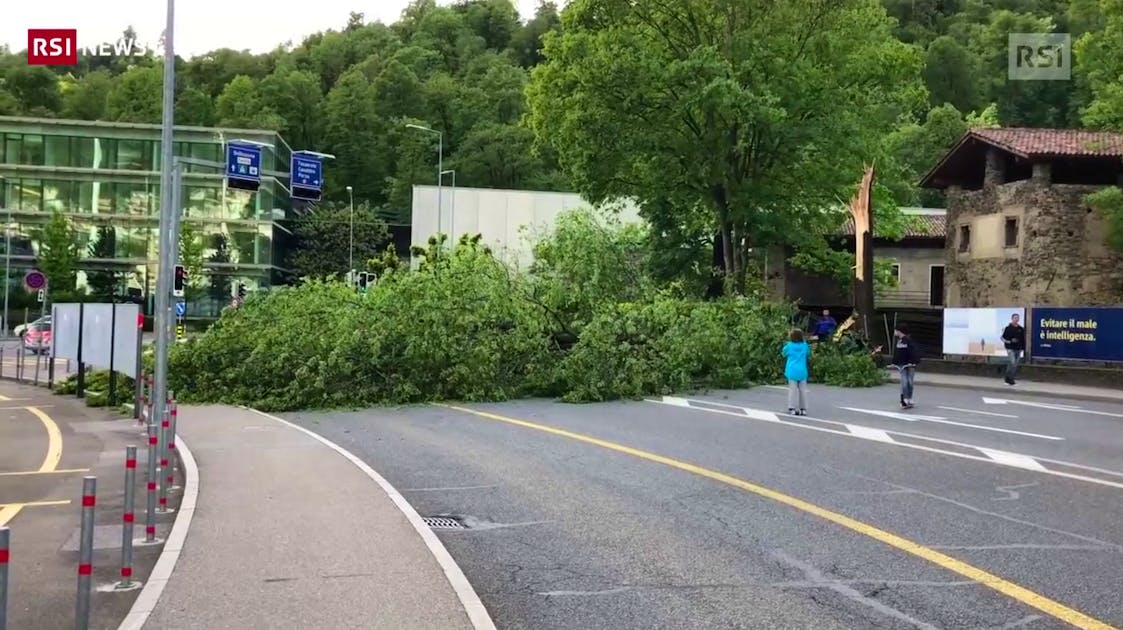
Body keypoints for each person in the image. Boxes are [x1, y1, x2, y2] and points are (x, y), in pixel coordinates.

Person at [890, 324, 920, 409]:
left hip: (910, 365)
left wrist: (913, 362)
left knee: (910, 382)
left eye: (896, 330)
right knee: (904, 382)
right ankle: (904, 399)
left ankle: (909, 398)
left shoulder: (909, 341)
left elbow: (913, 352)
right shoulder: (899, 341)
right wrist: (894, 362)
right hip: (902, 365)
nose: (895, 332)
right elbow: (897, 353)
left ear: (899, 331)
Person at [782, 329, 811, 416]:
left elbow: (783, 353)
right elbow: (808, 353)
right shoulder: (805, 345)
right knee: (802, 391)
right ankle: (803, 409)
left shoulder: (789, 345)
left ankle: (792, 408)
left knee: (792, 390)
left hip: (792, 370)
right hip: (802, 371)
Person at [1001, 313, 1026, 385]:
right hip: (1010, 348)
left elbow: (1022, 339)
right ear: (1012, 319)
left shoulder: (1020, 329)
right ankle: (1011, 379)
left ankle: (1007, 378)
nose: (1016, 319)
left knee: (1014, 364)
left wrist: (1023, 348)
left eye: (1018, 318)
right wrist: (1009, 341)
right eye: (1015, 318)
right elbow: (1002, 338)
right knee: (1012, 362)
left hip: (1018, 348)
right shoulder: (1008, 328)